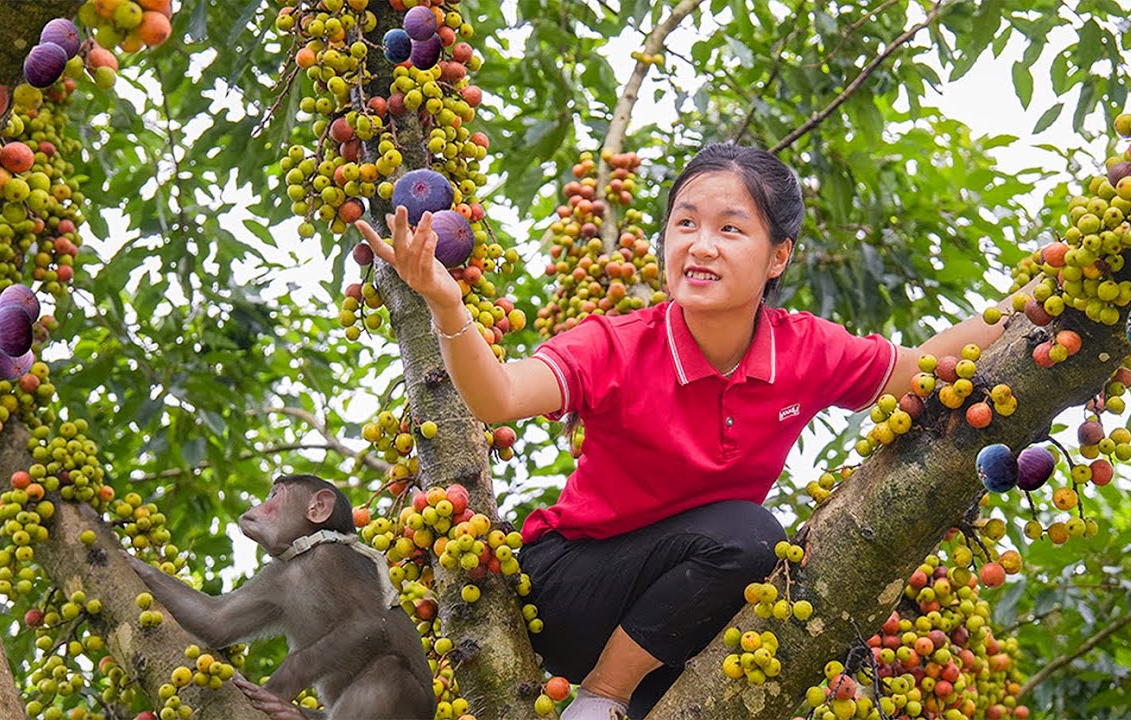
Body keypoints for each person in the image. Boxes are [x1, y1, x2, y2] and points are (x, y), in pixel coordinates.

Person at [355, 143, 1016, 720]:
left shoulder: (805, 349)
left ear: (778, 256)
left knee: (808, 629)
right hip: (573, 586)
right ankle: (600, 698)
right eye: (686, 224)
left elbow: (919, 369)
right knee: (757, 538)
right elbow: (498, 398)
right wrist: (446, 305)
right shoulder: (616, 344)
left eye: (731, 229)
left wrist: (1039, 303)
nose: (700, 246)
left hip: (685, 607)